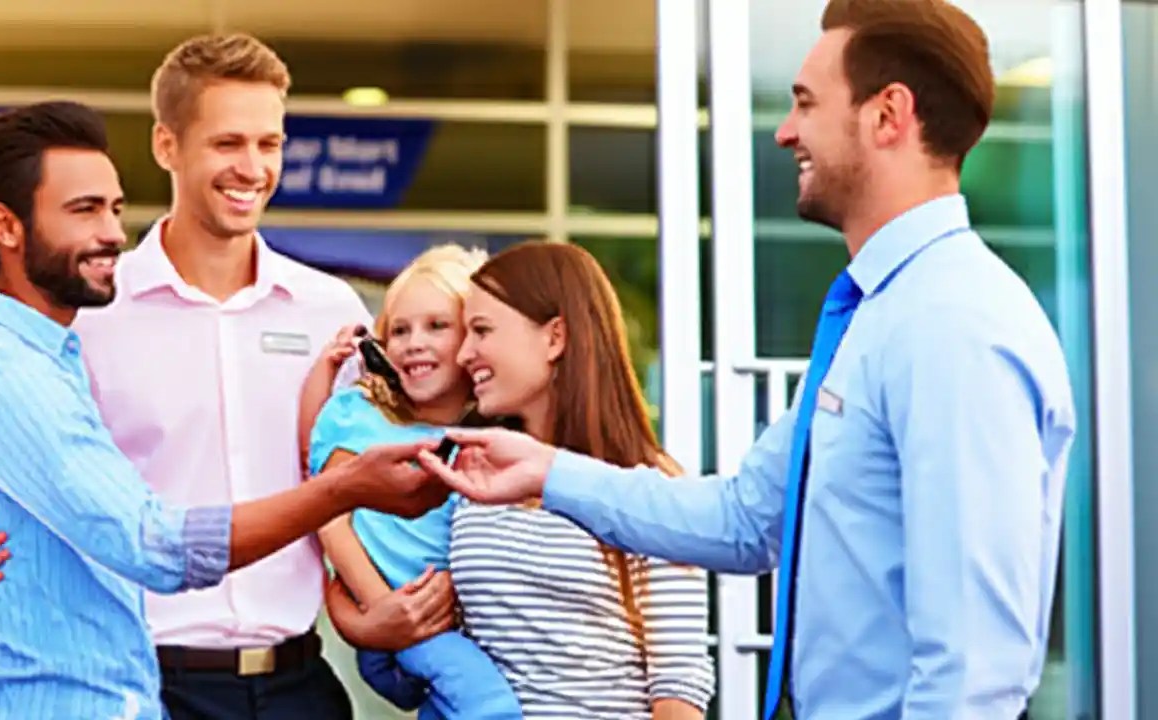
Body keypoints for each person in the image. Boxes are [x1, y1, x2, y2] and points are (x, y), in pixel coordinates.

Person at [416, 2, 1075, 719]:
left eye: (805, 103)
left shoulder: (953, 324)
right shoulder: (880, 316)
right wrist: (546, 473)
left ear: (888, 115)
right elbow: (745, 519)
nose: (785, 130)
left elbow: (973, 671)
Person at [0, 33, 454, 720]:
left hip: (300, 682)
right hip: (149, 686)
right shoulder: (86, 313)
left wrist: (363, 619)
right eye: (228, 143)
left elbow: (360, 503)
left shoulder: (333, 311)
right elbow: (49, 491)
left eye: (270, 144)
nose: (253, 167)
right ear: (167, 147)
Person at [350, 241, 715, 719]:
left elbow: (678, 686)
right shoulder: (467, 470)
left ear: (555, 337)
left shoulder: (651, 490)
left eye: (481, 330)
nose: (464, 354)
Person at [301, 244, 521, 719]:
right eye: (399, 330)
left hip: (453, 629)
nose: (413, 342)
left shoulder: (488, 439)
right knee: (491, 706)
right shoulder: (362, 418)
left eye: (436, 326)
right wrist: (385, 611)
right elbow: (325, 509)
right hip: (404, 624)